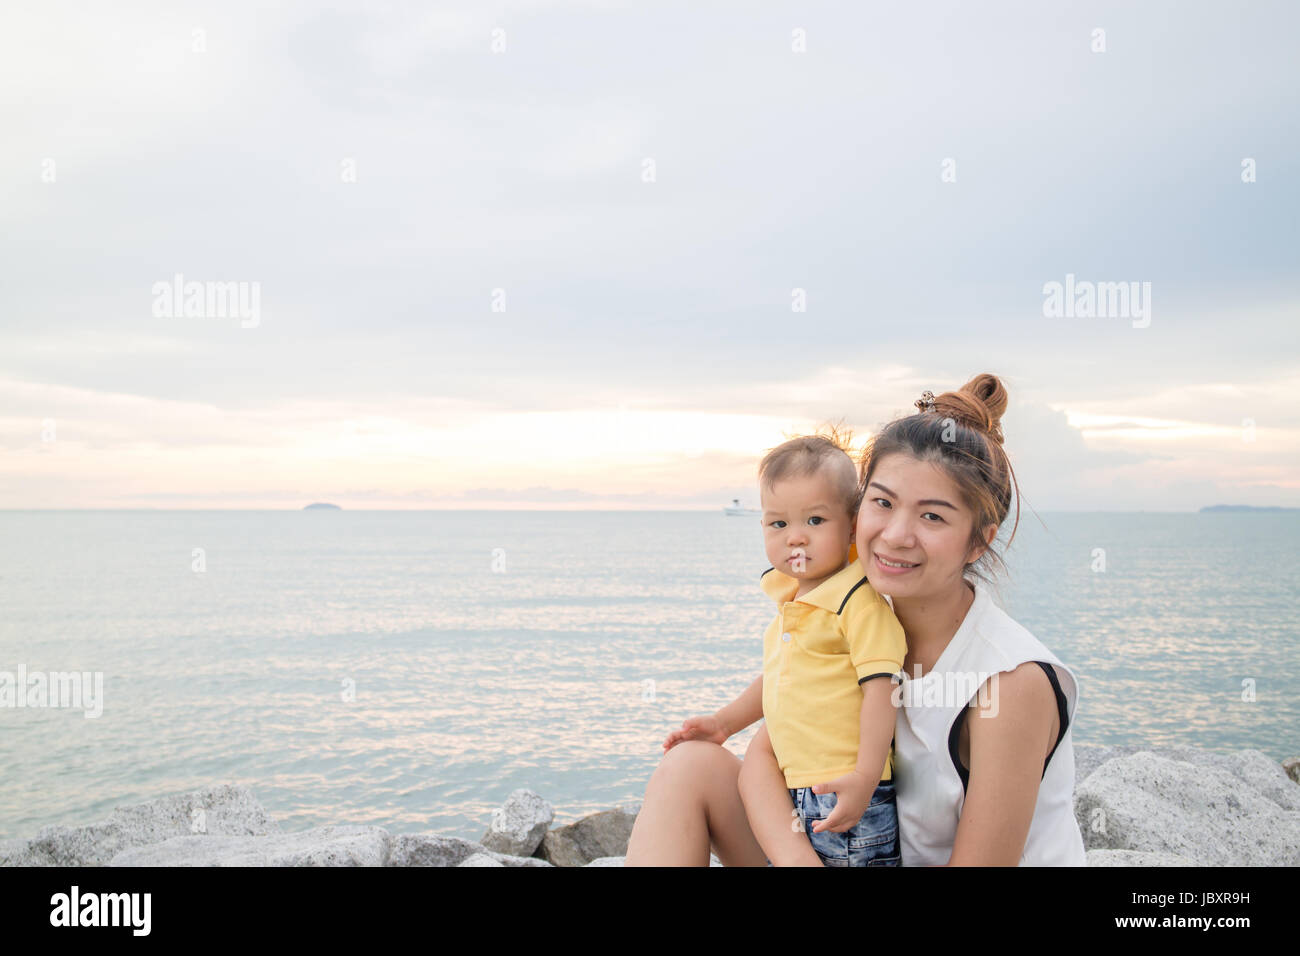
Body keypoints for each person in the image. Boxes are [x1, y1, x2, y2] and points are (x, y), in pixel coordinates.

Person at [624, 373, 1087, 866]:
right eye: (882, 503)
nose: (895, 535)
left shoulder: (1008, 683)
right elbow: (764, 758)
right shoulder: (853, 619)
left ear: (979, 540)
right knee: (689, 766)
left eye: (932, 517)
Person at [651, 433, 907, 866]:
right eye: (779, 524)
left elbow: (882, 691)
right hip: (796, 792)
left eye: (814, 521)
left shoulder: (859, 603)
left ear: (851, 524)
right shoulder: (797, 603)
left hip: (846, 796)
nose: (796, 539)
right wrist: (723, 723)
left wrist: (865, 775)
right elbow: (779, 679)